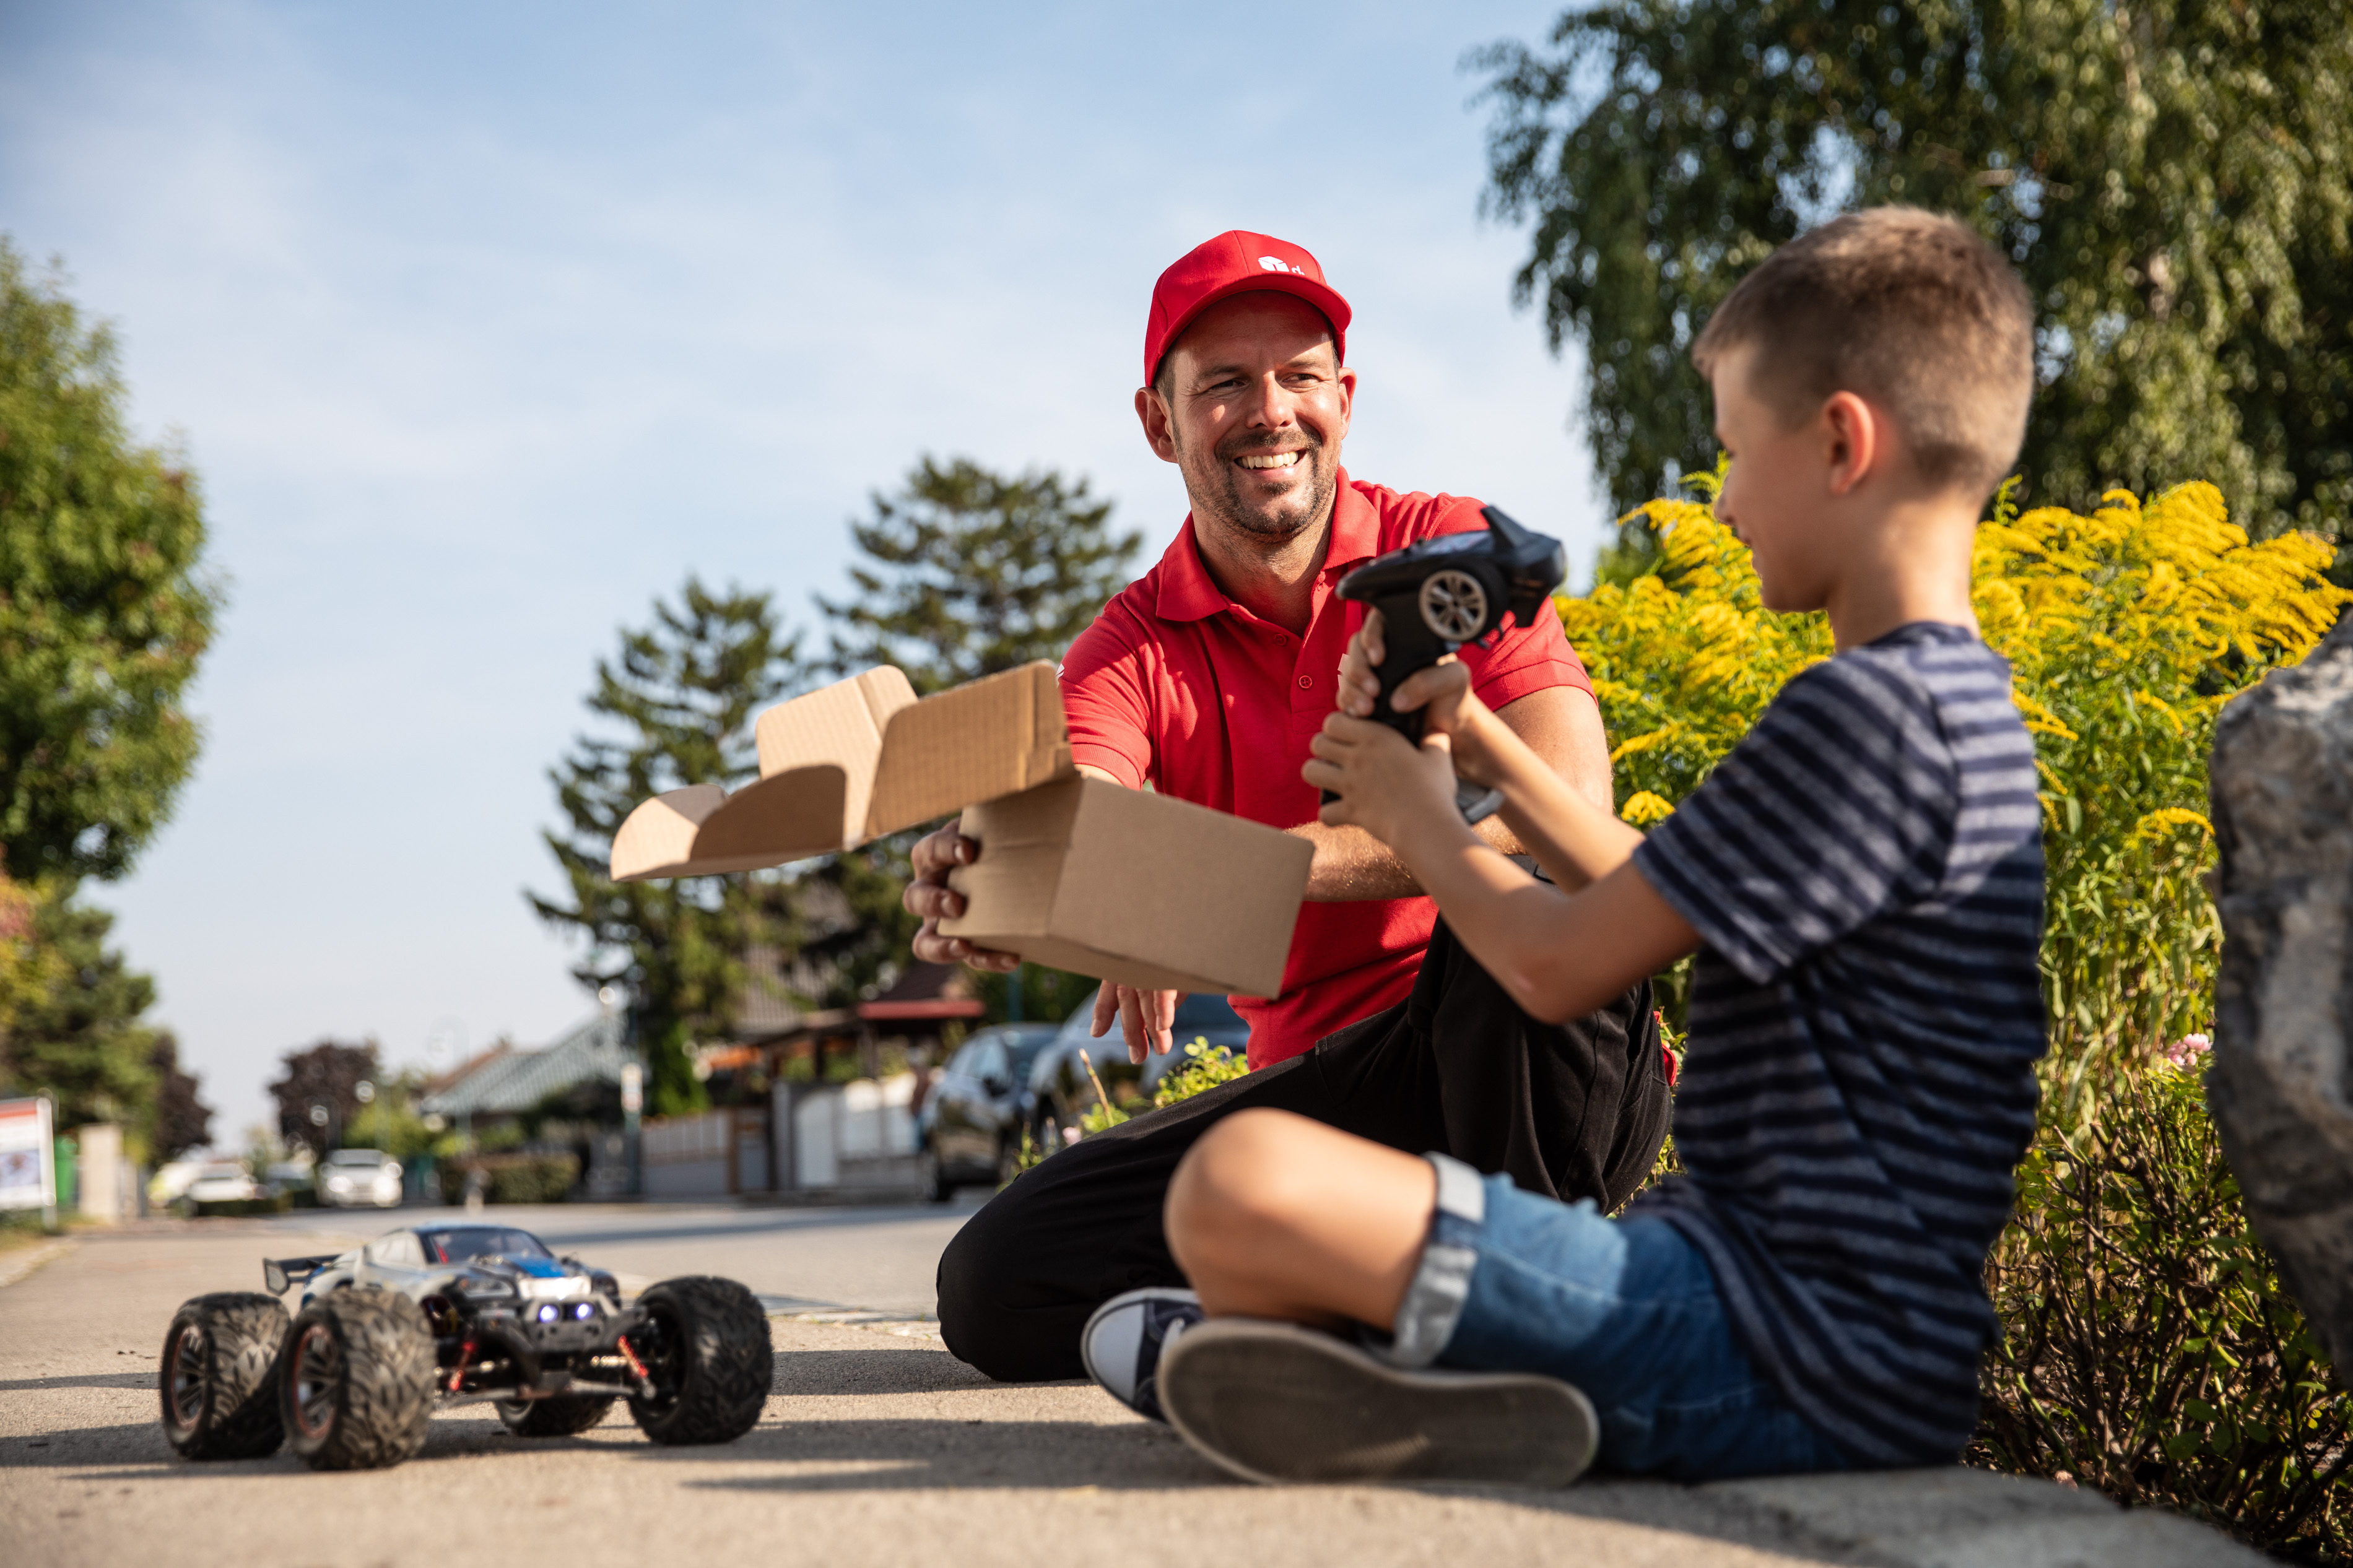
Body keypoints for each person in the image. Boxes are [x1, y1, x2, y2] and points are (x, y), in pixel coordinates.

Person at [1124, 207, 2048, 1488]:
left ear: (1840, 443)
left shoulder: (1855, 717)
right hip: (1866, 1351)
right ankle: (1462, 1380)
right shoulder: (1958, 713)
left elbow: (1559, 964)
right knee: (1252, 1215)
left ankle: (1481, 1381)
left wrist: (1410, 815)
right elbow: (1639, 880)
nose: (1720, 503)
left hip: (1769, 1341)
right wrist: (1484, 749)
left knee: (1235, 1187)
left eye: (1732, 455)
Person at [910, 231, 1672, 1384]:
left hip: (1541, 1061)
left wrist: (1215, 871)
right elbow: (1081, 809)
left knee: (1522, 891)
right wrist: (1009, 870)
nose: (1270, 411)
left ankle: (1535, 1322)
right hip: (1336, 1099)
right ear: (1159, 423)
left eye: (1300, 377)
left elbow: (1572, 802)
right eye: (1222, 384)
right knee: (995, 1283)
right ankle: (1372, 1319)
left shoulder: (1445, 552)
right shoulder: (1127, 648)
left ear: (1344, 401)